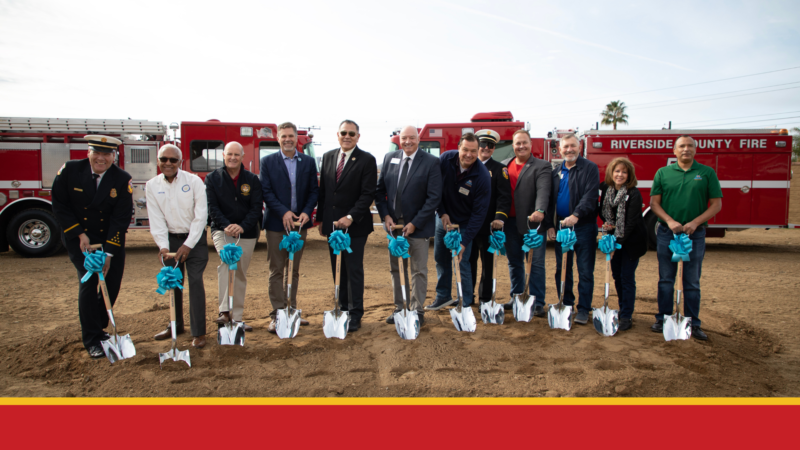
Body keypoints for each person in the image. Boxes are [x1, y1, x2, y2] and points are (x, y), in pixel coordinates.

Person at [51, 135, 133, 358]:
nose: (101, 158)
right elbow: (59, 205)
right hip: (81, 240)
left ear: (114, 156)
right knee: (89, 282)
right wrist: (79, 233)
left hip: (109, 239)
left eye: (107, 154)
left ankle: (99, 328)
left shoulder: (122, 179)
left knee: (112, 284)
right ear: (88, 152)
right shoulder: (70, 170)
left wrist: (108, 252)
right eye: (96, 152)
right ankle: (91, 339)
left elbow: (121, 218)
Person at [649, 135, 722, 340]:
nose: (686, 149)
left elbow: (716, 205)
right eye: (681, 146)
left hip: (694, 235)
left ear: (695, 150)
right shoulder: (663, 173)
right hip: (666, 233)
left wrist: (696, 222)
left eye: (690, 146)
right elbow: (655, 203)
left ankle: (693, 323)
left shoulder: (707, 173)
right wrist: (670, 221)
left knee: (691, 281)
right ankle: (662, 318)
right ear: (674, 151)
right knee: (666, 279)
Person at [376, 125, 442, 326]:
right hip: (393, 227)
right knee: (397, 269)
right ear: (399, 140)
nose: (408, 142)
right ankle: (400, 307)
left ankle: (417, 310)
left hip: (418, 227)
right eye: (404, 138)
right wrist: (385, 216)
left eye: (412, 138)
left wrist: (415, 223)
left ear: (418, 139)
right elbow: (379, 192)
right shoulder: (389, 158)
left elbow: (433, 198)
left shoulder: (431, 162)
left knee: (418, 270)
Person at [146, 144, 209, 348]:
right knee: (173, 283)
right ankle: (175, 325)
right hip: (171, 240)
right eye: (164, 159)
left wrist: (188, 244)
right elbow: (156, 220)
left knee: (195, 282)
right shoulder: (152, 185)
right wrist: (163, 247)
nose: (168, 163)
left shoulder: (194, 181)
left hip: (195, 239)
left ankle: (198, 332)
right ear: (158, 160)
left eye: (173, 160)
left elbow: (201, 217)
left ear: (180, 162)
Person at [317, 120, 377, 332]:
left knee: (353, 270)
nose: (347, 136)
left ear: (358, 136)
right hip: (332, 226)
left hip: (356, 227)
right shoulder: (328, 157)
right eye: (344, 132)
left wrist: (350, 216)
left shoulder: (367, 160)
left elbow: (367, 193)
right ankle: (341, 308)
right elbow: (324, 192)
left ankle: (355, 313)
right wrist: (322, 221)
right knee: (337, 269)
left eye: (352, 133)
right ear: (338, 134)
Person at [260, 122, 318, 333]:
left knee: (293, 270)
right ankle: (277, 313)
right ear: (278, 138)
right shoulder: (267, 162)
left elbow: (314, 191)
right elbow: (266, 191)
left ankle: (291, 310)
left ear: (296, 138)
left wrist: (306, 211)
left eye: (291, 136)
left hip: (299, 224)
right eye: (283, 136)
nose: (287, 139)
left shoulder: (309, 162)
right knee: (277, 269)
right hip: (277, 224)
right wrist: (283, 211)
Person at [428, 133, 491, 310]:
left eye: (473, 151)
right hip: (443, 220)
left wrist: (464, 241)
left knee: (461, 261)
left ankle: (465, 301)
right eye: (465, 150)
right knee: (440, 259)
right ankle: (443, 296)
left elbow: (479, 214)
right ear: (458, 148)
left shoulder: (482, 176)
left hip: (465, 223)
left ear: (478, 151)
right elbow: (435, 188)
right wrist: (441, 212)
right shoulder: (445, 159)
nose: (469, 154)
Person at [205, 141, 263, 332]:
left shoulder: (252, 180)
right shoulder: (212, 178)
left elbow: (256, 209)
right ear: (223, 155)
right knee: (226, 265)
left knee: (238, 272)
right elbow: (212, 207)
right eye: (229, 154)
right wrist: (226, 226)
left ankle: (236, 318)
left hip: (246, 233)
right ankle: (224, 312)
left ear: (242, 156)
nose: (233, 158)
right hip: (221, 231)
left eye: (236, 155)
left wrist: (242, 226)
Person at [545, 133, 599, 325]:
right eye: (565, 147)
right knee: (562, 269)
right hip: (561, 227)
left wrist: (576, 215)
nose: (569, 150)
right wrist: (550, 225)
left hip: (583, 227)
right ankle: (566, 304)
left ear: (579, 147)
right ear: (560, 150)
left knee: (585, 270)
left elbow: (591, 196)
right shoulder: (555, 171)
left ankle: (584, 309)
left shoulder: (590, 168)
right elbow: (550, 200)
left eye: (572, 146)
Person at [501, 130, 552, 315]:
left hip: (533, 225)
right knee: (514, 262)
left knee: (536, 263)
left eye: (524, 143)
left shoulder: (542, 166)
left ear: (530, 144)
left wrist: (540, 210)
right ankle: (516, 296)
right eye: (517, 143)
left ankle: (537, 302)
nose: (521, 146)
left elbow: (543, 190)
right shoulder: (504, 165)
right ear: (512, 146)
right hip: (510, 224)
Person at [598, 157, 647, 332]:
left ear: (629, 175)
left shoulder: (634, 193)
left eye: (624, 172)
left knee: (627, 278)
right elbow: (604, 213)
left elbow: (630, 223)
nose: (620, 175)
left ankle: (627, 315)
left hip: (631, 242)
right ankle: (621, 308)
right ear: (611, 172)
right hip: (614, 239)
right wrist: (608, 225)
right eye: (617, 171)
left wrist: (616, 245)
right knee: (617, 277)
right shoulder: (606, 188)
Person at [468, 129, 512, 306]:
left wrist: (499, 218)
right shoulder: (466, 167)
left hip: (488, 227)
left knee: (488, 265)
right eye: (483, 144)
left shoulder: (500, 169)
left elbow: (504, 197)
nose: (486, 148)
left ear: (494, 148)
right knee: (467, 264)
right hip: (469, 226)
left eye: (491, 145)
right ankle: (467, 297)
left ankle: (485, 299)